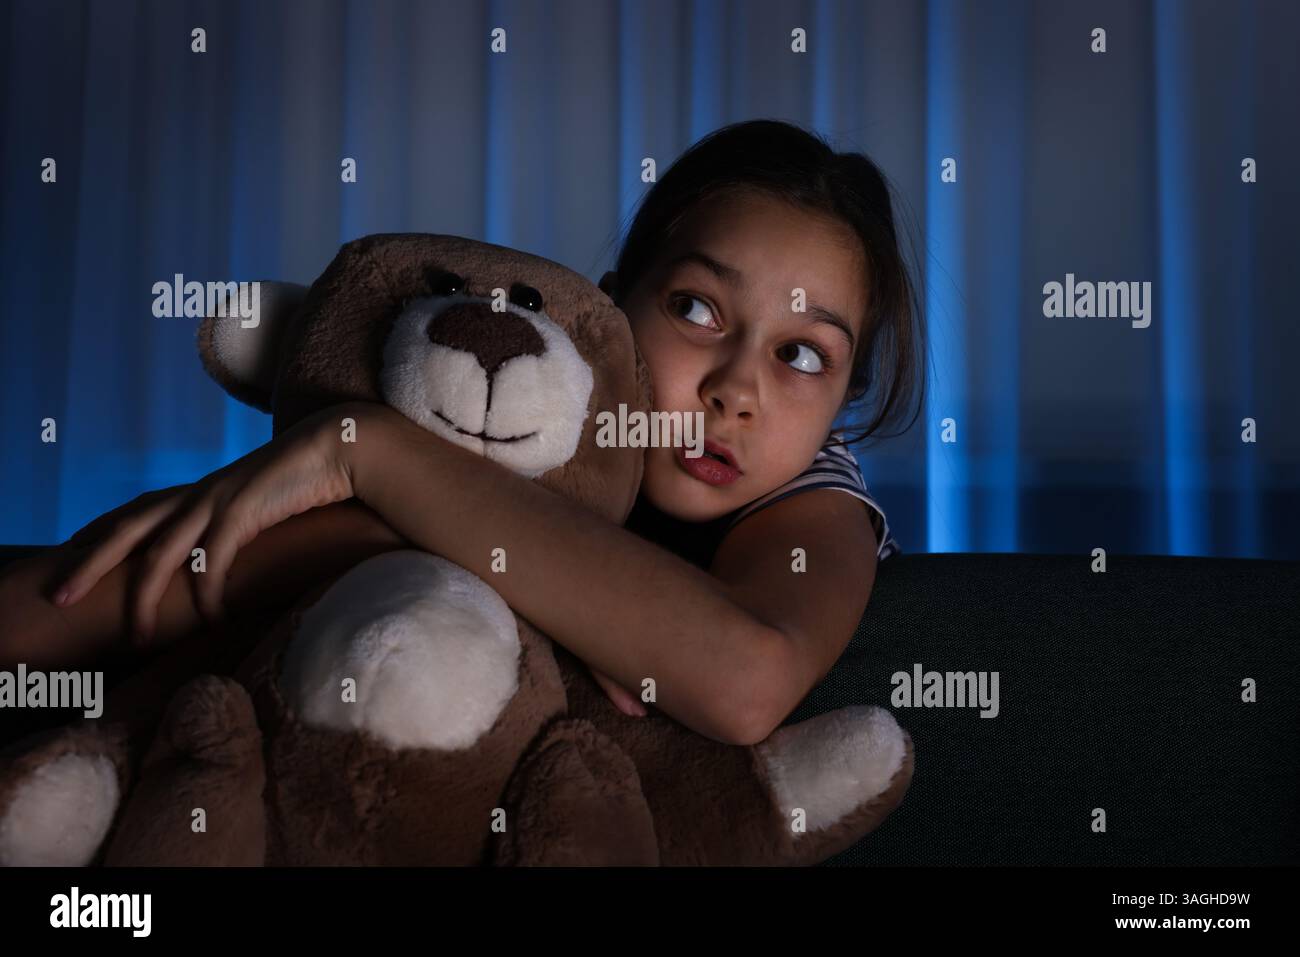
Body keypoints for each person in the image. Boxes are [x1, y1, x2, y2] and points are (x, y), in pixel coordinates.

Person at [17, 119, 926, 747]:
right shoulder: (521, 405)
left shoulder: (814, 502)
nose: (736, 390)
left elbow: (746, 680)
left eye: (804, 356)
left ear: (847, 394)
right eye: (696, 307)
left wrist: (366, 449)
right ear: (614, 306)